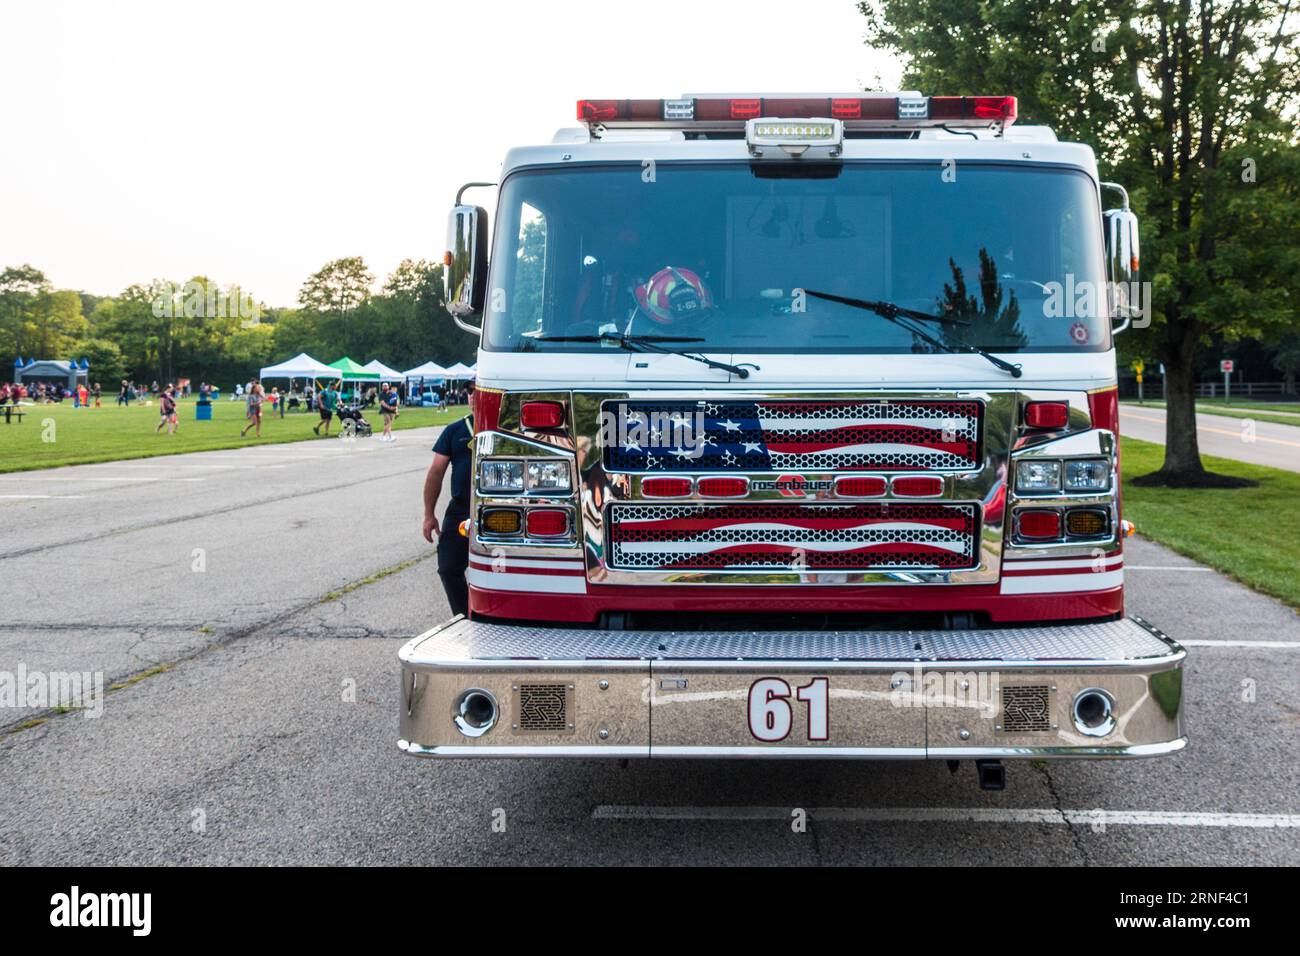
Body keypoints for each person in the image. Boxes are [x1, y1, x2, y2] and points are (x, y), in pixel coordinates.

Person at [422, 384, 475, 618]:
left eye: (479, 390)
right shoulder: (455, 430)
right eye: (471, 392)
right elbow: (436, 471)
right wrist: (428, 514)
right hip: (461, 507)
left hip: (500, 509)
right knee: (448, 567)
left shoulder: (506, 427)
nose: (474, 396)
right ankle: (464, 616)